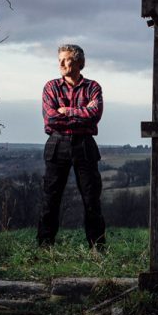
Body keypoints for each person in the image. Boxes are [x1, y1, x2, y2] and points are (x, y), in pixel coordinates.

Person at [37, 44, 106, 249]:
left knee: (91, 198)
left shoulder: (93, 87)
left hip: (84, 145)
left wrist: (66, 111)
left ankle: (98, 247)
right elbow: (50, 118)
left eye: (66, 59)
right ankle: (45, 246)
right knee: (51, 197)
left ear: (78, 62)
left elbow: (95, 115)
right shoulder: (51, 87)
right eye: (59, 59)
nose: (61, 63)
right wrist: (80, 114)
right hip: (57, 144)